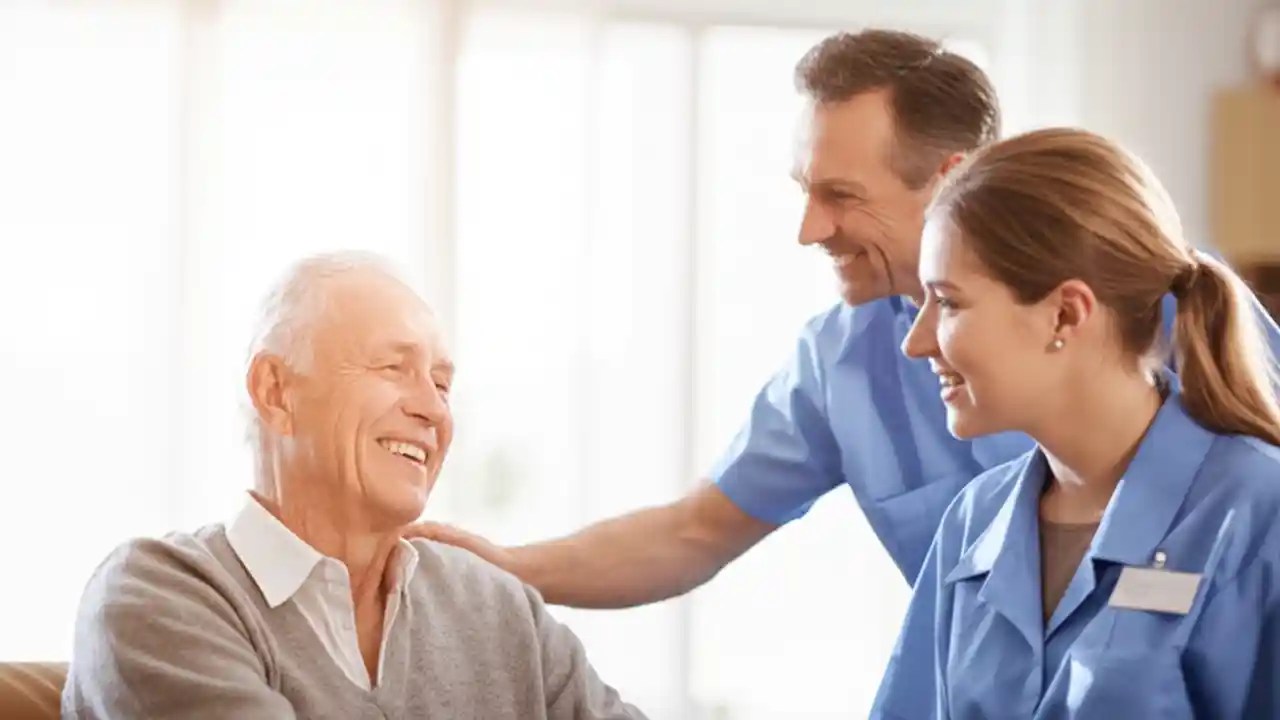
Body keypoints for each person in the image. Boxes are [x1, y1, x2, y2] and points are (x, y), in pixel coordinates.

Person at [408, 29, 1280, 606]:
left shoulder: (1172, 318)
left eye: (841, 196)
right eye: (803, 191)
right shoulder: (847, 363)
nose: (807, 230)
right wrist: (511, 574)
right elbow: (694, 531)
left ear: (953, 181)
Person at [63, 254, 647, 720]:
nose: (432, 410)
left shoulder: (499, 608)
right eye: (394, 368)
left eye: (442, 384)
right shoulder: (156, 596)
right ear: (275, 392)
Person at [872, 128, 1280, 718]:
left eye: (950, 302)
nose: (916, 341)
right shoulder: (973, 521)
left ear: (1065, 312)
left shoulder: (1258, 515)